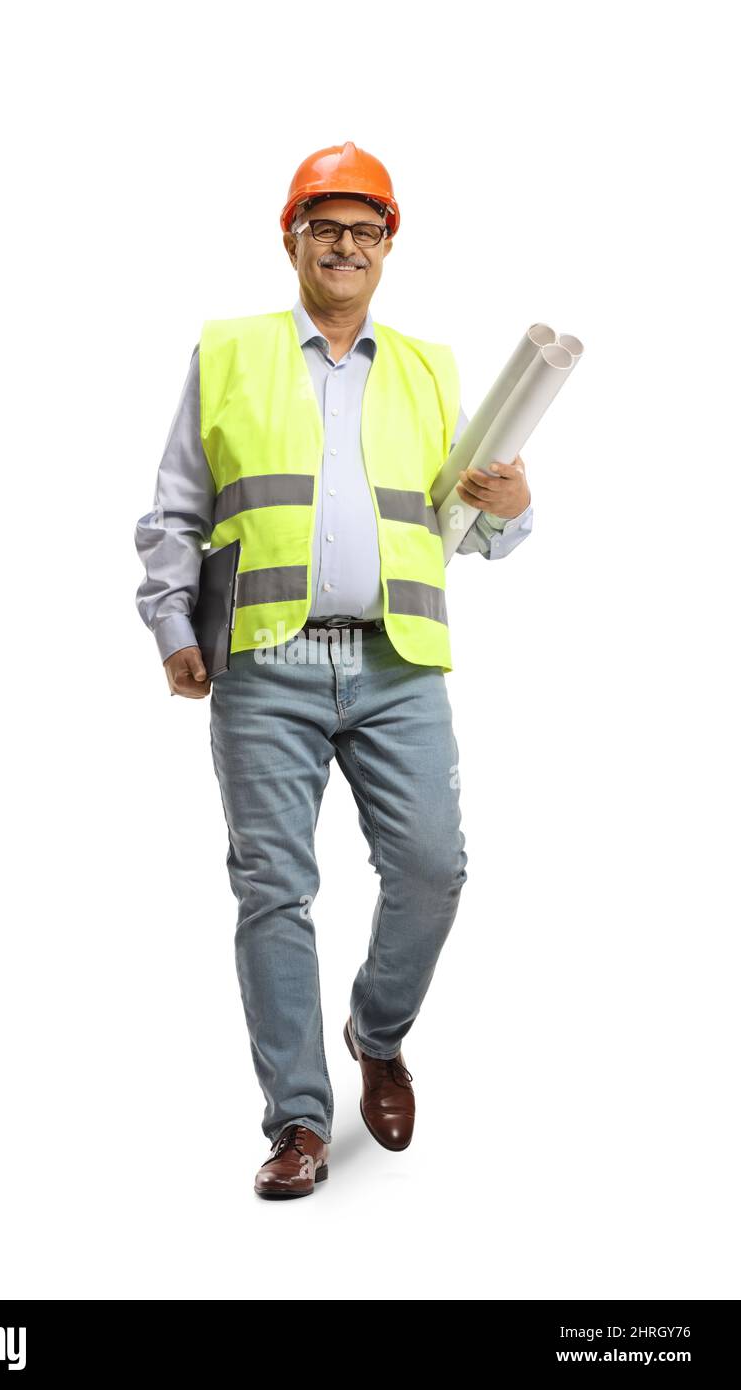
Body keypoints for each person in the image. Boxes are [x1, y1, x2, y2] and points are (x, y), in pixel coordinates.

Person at [134, 142, 533, 1200]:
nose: (345, 246)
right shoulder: (227, 352)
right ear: (292, 240)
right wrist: (171, 621)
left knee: (432, 867)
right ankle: (297, 1122)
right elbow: (175, 507)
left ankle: (376, 1030)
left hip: (394, 662)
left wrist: (512, 509)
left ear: (387, 246)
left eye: (364, 230)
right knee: (274, 890)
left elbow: (463, 528)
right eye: (326, 227)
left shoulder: (427, 369)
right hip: (266, 662)